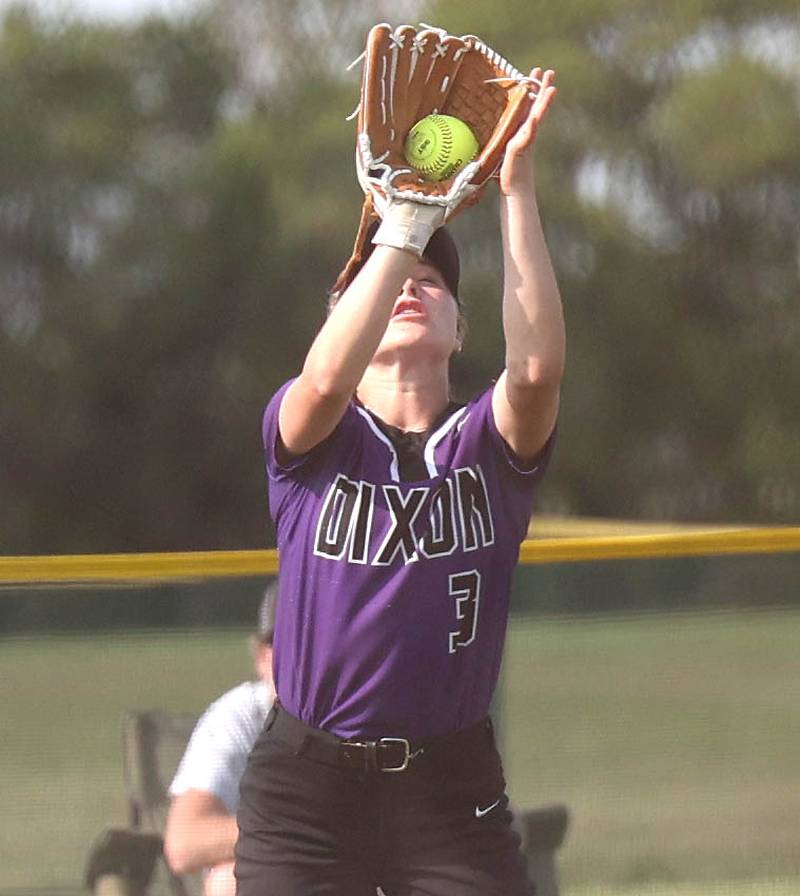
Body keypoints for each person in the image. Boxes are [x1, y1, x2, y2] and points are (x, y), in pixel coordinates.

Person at [236, 67, 563, 896]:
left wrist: (517, 188)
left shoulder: (485, 448)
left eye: (432, 281)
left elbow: (535, 372)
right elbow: (323, 379)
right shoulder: (316, 437)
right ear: (341, 322)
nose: (412, 283)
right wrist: (402, 227)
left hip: (452, 791)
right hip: (307, 787)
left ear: (460, 331)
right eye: (386, 279)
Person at [163, 582, 277, 896]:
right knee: (230, 880)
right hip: (285, 873)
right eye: (289, 644)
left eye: (312, 644)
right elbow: (185, 841)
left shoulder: (366, 715)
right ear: (262, 656)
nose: (302, 661)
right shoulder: (241, 717)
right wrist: (294, 834)